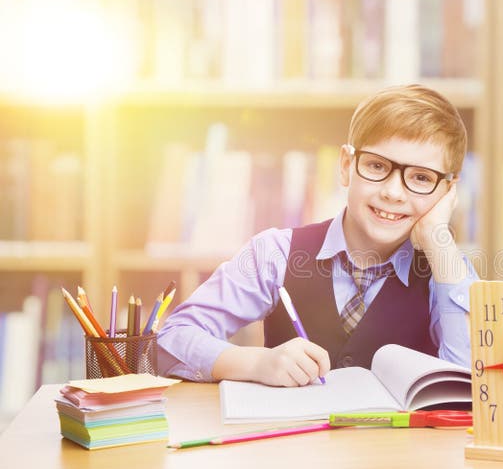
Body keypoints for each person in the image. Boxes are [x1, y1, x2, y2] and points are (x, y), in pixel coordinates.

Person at [156, 84, 478, 386]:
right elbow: (170, 341)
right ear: (345, 165)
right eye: (378, 167)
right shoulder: (276, 253)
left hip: (402, 447)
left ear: (448, 191)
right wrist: (255, 364)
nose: (393, 193)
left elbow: (474, 380)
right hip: (290, 443)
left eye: (421, 178)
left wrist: (438, 235)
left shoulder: (446, 274)